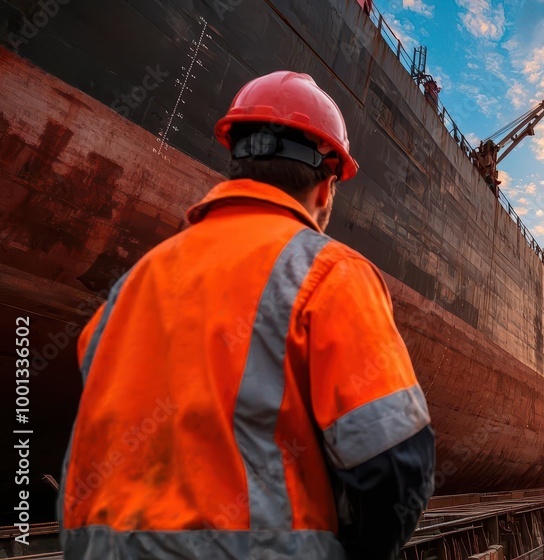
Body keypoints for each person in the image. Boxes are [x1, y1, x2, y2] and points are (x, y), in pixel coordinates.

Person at [58, 71, 436, 560]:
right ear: (325, 189)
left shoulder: (131, 287)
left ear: (235, 162)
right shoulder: (330, 275)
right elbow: (397, 465)